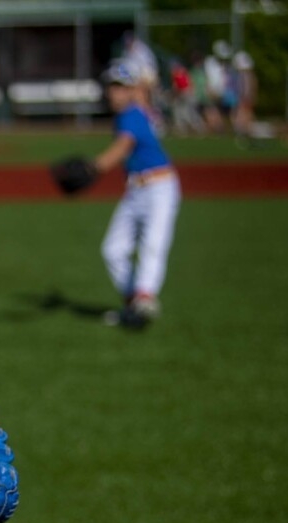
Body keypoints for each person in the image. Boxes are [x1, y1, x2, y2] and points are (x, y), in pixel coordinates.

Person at [93, 61, 180, 330]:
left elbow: (124, 146)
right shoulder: (126, 115)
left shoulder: (132, 114)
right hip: (136, 189)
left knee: (152, 246)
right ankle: (136, 302)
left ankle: (143, 300)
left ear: (131, 90)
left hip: (159, 187)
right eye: (112, 87)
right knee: (113, 249)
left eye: (120, 87)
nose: (114, 92)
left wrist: (92, 167)